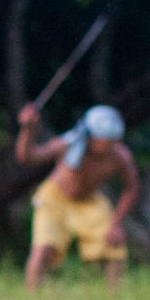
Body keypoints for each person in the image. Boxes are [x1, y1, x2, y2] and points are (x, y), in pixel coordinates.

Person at [15, 103, 140, 289]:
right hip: (54, 199)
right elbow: (28, 157)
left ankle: (114, 299)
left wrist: (117, 223)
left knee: (115, 248)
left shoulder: (120, 156)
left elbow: (132, 187)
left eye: (114, 140)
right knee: (43, 248)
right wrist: (28, 129)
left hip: (89, 201)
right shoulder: (69, 144)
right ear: (92, 137)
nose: (111, 145)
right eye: (106, 140)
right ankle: (32, 298)